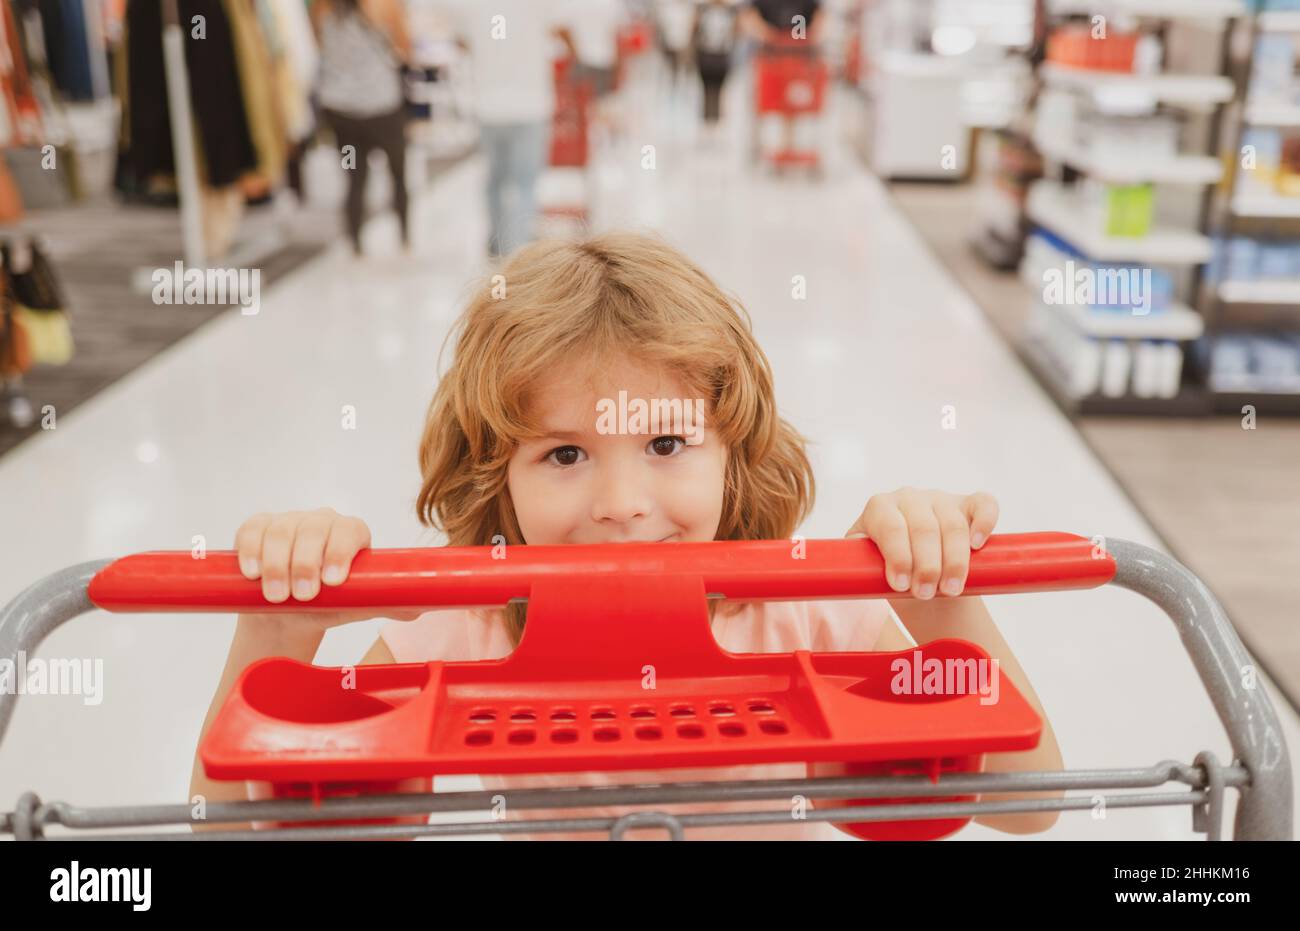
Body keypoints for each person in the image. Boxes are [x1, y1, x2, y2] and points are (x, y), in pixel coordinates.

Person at [190, 232, 1065, 840]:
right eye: (564, 451)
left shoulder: (809, 616)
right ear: (499, 476)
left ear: (736, 453)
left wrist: (940, 593)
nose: (622, 502)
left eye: (666, 444)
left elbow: (1030, 802)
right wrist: (277, 627)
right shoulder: (467, 629)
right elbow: (233, 832)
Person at [443, 0, 576, 258]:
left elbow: (459, 41)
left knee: (495, 180)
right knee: (525, 182)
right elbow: (563, 30)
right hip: (530, 106)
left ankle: (497, 241)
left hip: (489, 106)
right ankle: (517, 249)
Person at [312, 0, 411, 256]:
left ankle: (356, 244)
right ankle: (404, 238)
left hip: (340, 107)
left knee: (354, 178)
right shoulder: (384, 5)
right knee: (398, 174)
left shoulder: (322, 7)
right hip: (382, 105)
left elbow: (318, 45)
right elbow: (405, 49)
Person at [693, 0, 740, 138]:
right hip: (706, 56)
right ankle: (706, 126)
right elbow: (694, 29)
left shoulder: (731, 11)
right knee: (706, 91)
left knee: (720, 92)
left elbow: (736, 31)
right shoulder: (703, 9)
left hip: (722, 56)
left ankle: (719, 127)